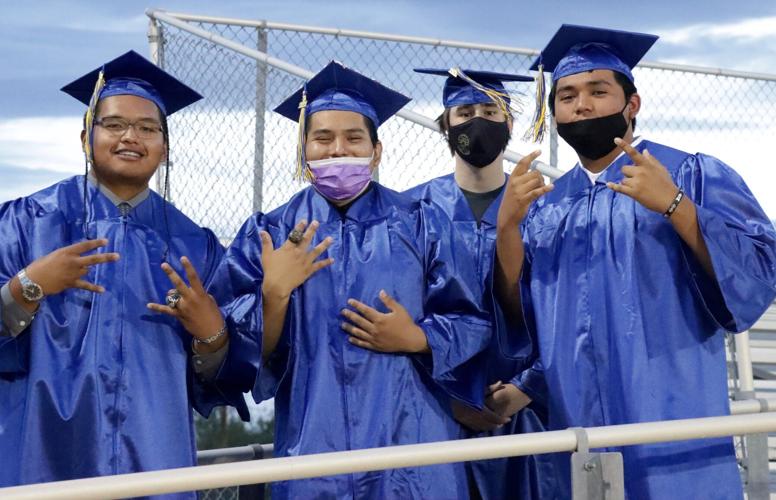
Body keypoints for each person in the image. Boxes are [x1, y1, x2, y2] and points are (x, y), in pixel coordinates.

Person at [495, 24, 776, 499]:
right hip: (572, 423)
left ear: (632, 105)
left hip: (669, 415)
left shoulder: (688, 172)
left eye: (597, 91)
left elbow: (759, 270)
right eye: (566, 96)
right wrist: (507, 229)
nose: (581, 105)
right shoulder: (546, 205)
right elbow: (530, 317)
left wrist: (676, 205)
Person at [207, 61, 492, 499]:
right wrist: (273, 294)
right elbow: (230, 350)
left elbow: (473, 319)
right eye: (322, 138)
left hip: (411, 452)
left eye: (354, 137)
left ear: (377, 151)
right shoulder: (269, 233)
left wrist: (418, 338)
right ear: (303, 150)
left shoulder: (423, 223)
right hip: (311, 453)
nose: (338, 149)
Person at [0, 50, 246, 493]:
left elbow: (226, 372)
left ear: (165, 149)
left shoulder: (197, 247)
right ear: (85, 138)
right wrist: (26, 287)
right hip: (43, 451)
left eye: (148, 128)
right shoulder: (26, 223)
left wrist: (213, 336)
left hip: (155, 457)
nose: (131, 136)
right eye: (114, 124)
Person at [400, 67, 558, 499]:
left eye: (491, 111)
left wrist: (526, 388)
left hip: (529, 415)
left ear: (509, 124)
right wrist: (449, 399)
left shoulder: (544, 211)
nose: (478, 121)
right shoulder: (407, 212)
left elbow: (567, 312)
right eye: (464, 111)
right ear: (445, 125)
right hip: (435, 413)